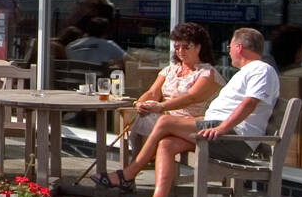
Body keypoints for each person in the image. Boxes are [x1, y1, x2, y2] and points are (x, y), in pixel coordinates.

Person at [103, 28, 279, 197]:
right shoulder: (245, 72)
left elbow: (249, 103)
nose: (228, 51)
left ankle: (128, 174)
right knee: (167, 143)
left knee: (165, 121)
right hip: (220, 133)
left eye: (230, 47)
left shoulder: (261, 69)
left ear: (239, 47)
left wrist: (220, 129)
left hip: (233, 138)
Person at [94, 22, 221, 186]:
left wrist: (160, 107)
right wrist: (140, 103)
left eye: (186, 47)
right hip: (166, 119)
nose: (181, 51)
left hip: (191, 123)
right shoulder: (171, 69)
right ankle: (130, 173)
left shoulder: (207, 73)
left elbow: (192, 97)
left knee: (152, 119)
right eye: (177, 47)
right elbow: (153, 92)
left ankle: (130, 173)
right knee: (143, 115)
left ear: (199, 47)